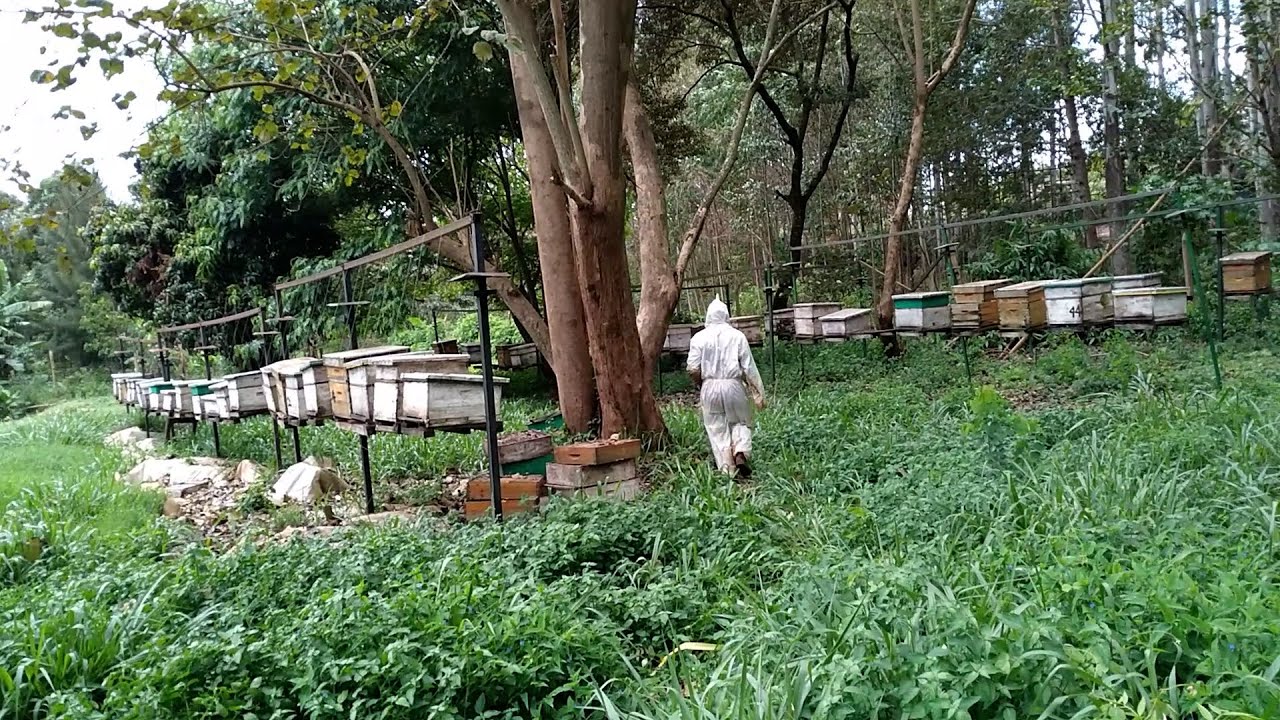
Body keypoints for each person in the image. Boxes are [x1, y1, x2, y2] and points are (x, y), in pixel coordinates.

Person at [686, 298, 765, 479]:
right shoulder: (737, 336)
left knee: (716, 428)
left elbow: (692, 368)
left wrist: (701, 383)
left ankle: (728, 470)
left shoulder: (699, 338)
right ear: (726, 316)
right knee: (741, 421)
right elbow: (749, 368)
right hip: (734, 385)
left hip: (710, 385)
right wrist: (759, 394)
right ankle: (740, 451)